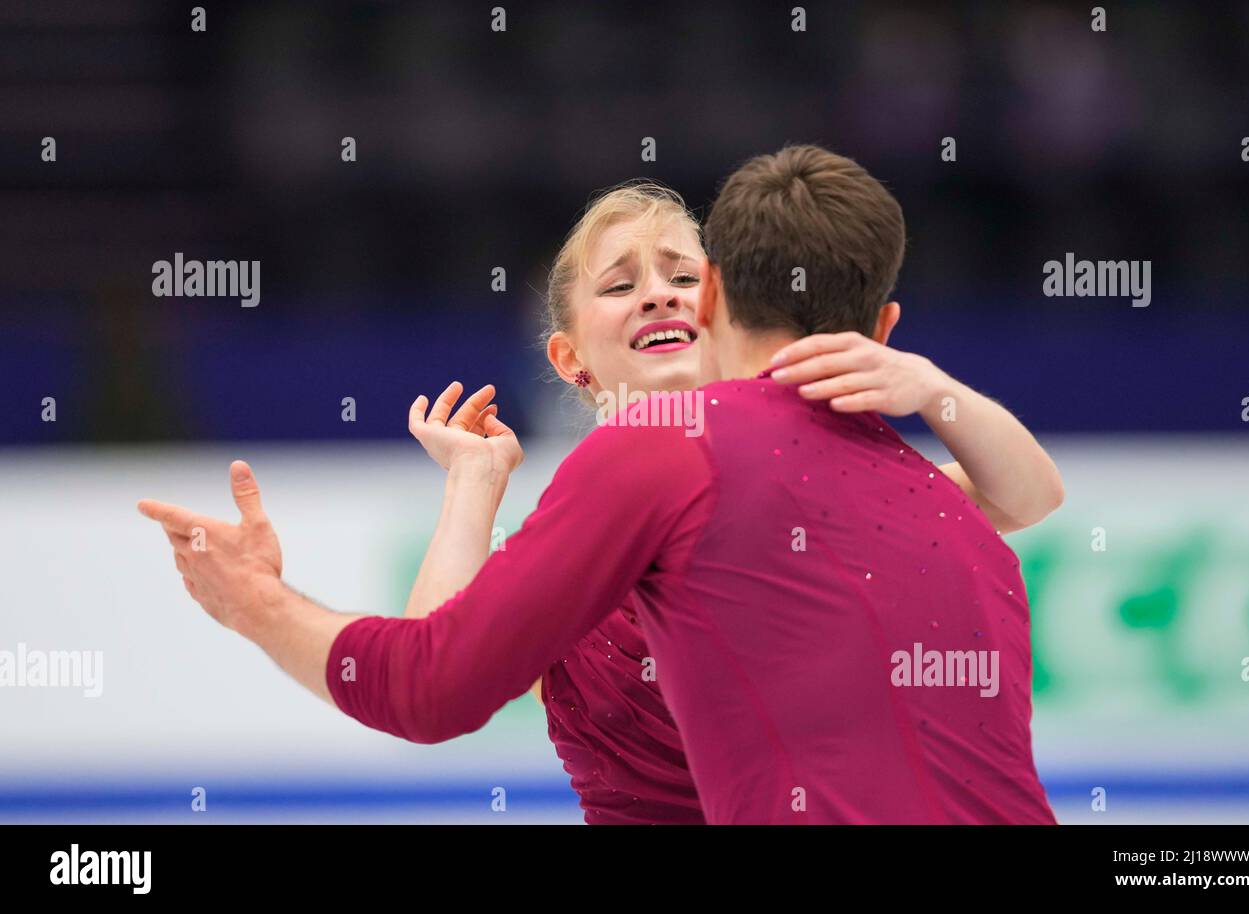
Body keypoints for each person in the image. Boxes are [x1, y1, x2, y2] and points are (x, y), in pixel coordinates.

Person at [139, 145, 1059, 823]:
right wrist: (472, 488)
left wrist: (933, 389)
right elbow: (433, 666)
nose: (658, 294)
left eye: (679, 274)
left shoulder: (853, 478)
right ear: (570, 358)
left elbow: (1026, 494)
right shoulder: (601, 517)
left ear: (717, 302)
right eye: (621, 285)